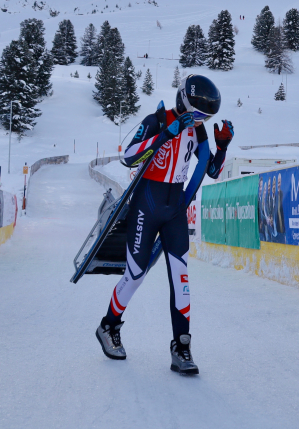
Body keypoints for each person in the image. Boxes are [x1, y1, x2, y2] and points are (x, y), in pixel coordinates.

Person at [95, 74, 234, 375]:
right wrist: (164, 134)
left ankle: (181, 347)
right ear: (184, 103)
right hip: (147, 203)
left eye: (206, 118)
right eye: (198, 115)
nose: (201, 121)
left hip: (175, 209)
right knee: (135, 274)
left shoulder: (198, 132)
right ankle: (108, 326)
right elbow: (129, 157)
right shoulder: (158, 119)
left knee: (181, 277)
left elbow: (210, 169)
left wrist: (222, 147)